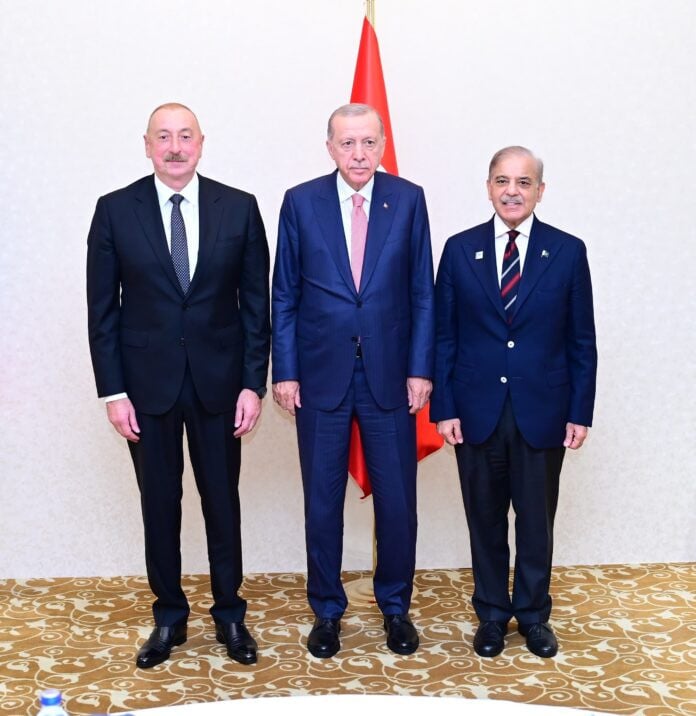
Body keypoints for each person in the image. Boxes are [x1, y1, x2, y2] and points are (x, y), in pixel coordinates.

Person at [86, 103, 270, 668]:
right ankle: (168, 618)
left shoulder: (239, 208)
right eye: (162, 137)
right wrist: (114, 393)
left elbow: (255, 306)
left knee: (222, 503)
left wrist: (251, 385)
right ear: (146, 145)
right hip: (146, 391)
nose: (174, 146)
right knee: (159, 506)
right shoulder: (115, 211)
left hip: (220, 388)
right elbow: (102, 312)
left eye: (184, 136)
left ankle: (230, 617)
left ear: (201, 143)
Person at [272, 103, 435, 658]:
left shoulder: (408, 199)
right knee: (322, 502)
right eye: (348, 144)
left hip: (392, 377)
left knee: (397, 503)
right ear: (330, 147)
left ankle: (395, 607)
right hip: (320, 377)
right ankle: (327, 611)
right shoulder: (300, 202)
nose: (359, 154)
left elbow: (422, 293)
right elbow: (285, 296)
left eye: (369, 142)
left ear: (383, 144)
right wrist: (286, 371)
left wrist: (420, 368)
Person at [431, 146, 597, 659]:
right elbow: (444, 338)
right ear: (488, 187)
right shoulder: (459, 251)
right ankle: (492, 615)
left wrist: (579, 411)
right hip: (476, 412)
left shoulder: (568, 252)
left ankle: (532, 615)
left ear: (540, 192)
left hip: (543, 413)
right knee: (484, 519)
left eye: (524, 182)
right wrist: (446, 407)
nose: (512, 191)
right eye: (502, 180)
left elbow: (581, 340)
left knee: (534, 521)